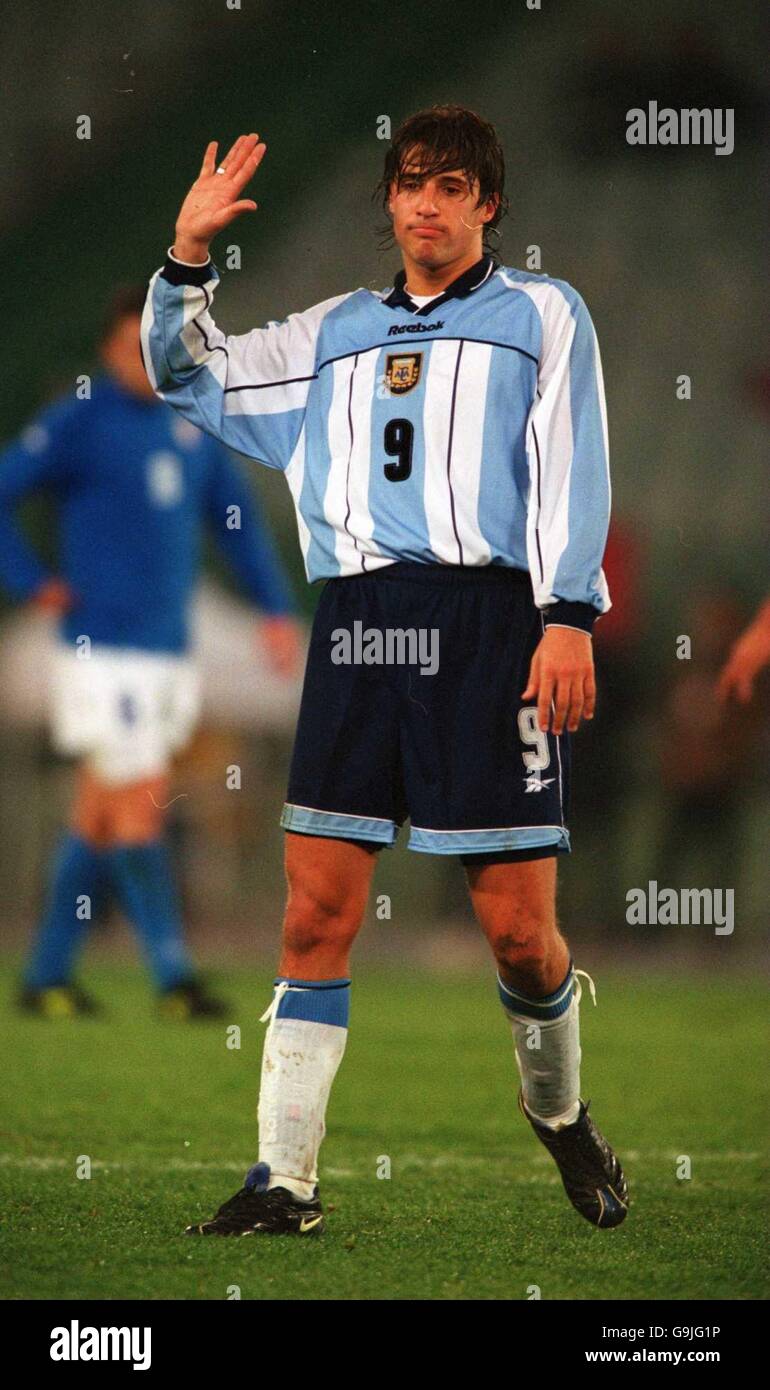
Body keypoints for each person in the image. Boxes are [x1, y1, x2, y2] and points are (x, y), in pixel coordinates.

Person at [143, 105, 628, 1233]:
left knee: (516, 930)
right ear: (389, 199)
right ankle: (284, 1183)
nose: (426, 203)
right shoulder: (331, 332)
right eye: (410, 182)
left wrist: (567, 615)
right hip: (358, 629)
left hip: (490, 627)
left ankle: (558, 1116)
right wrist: (187, 256)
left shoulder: (542, 315)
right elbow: (185, 373)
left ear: (487, 203)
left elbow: (572, 462)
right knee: (313, 911)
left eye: (451, 185)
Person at [0, 287, 302, 1019]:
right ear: (108, 349)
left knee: (100, 813)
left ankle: (44, 977)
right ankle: (174, 977)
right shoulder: (78, 421)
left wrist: (273, 609)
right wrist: (30, 581)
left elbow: (236, 527)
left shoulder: (190, 426)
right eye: (133, 343)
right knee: (138, 804)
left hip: (168, 648)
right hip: (101, 648)